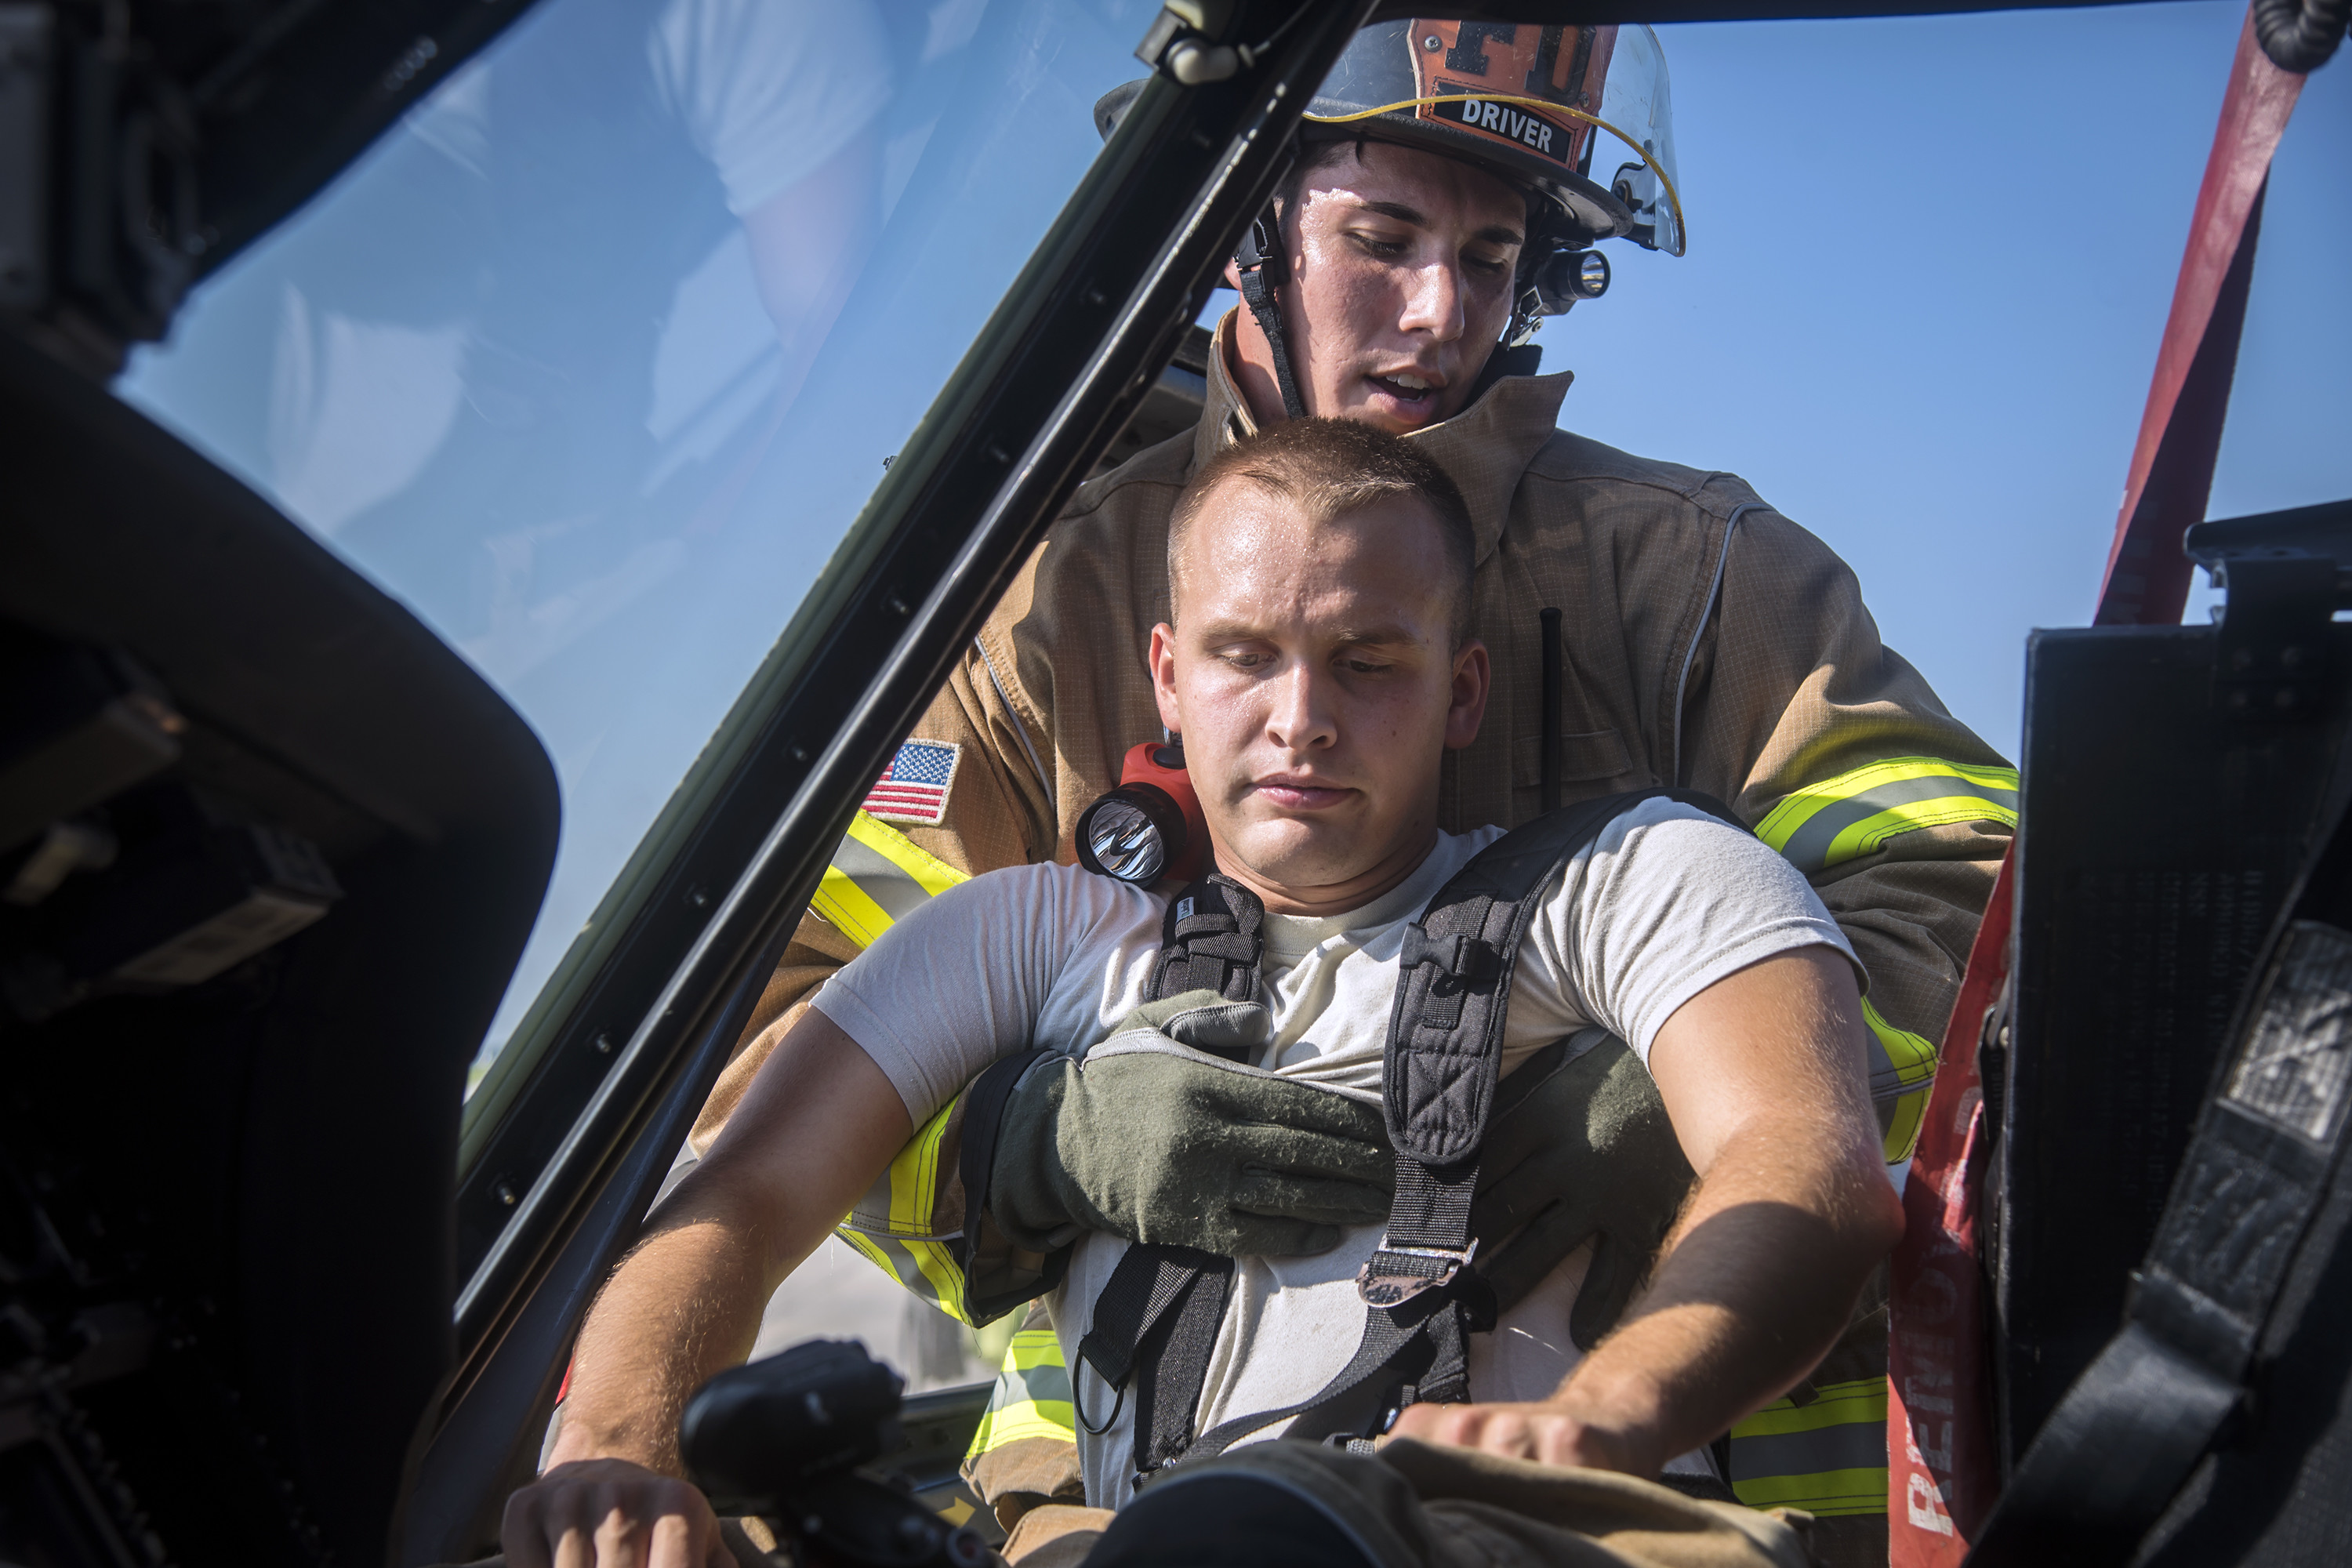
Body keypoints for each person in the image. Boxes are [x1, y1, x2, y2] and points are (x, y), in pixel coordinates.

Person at [685, 20, 2012, 1562]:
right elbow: (774, 1041)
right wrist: (1029, 1144)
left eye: (1493, 257)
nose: (1441, 310)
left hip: (1646, 1507)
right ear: (1244, 233)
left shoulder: (1704, 580)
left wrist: (1714, 1105)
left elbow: (1974, 901)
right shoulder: (1050, 617)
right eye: (1382, 240)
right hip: (1130, 1511)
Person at [503, 420, 1901, 1568]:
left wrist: (1602, 1420)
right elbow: (741, 1200)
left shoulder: (1635, 881)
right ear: (1169, 678)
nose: (1302, 720)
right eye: (1245, 656)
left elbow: (1804, 1162)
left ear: (1462, 691)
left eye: (1368, 663)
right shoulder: (1030, 940)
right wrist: (615, 1452)